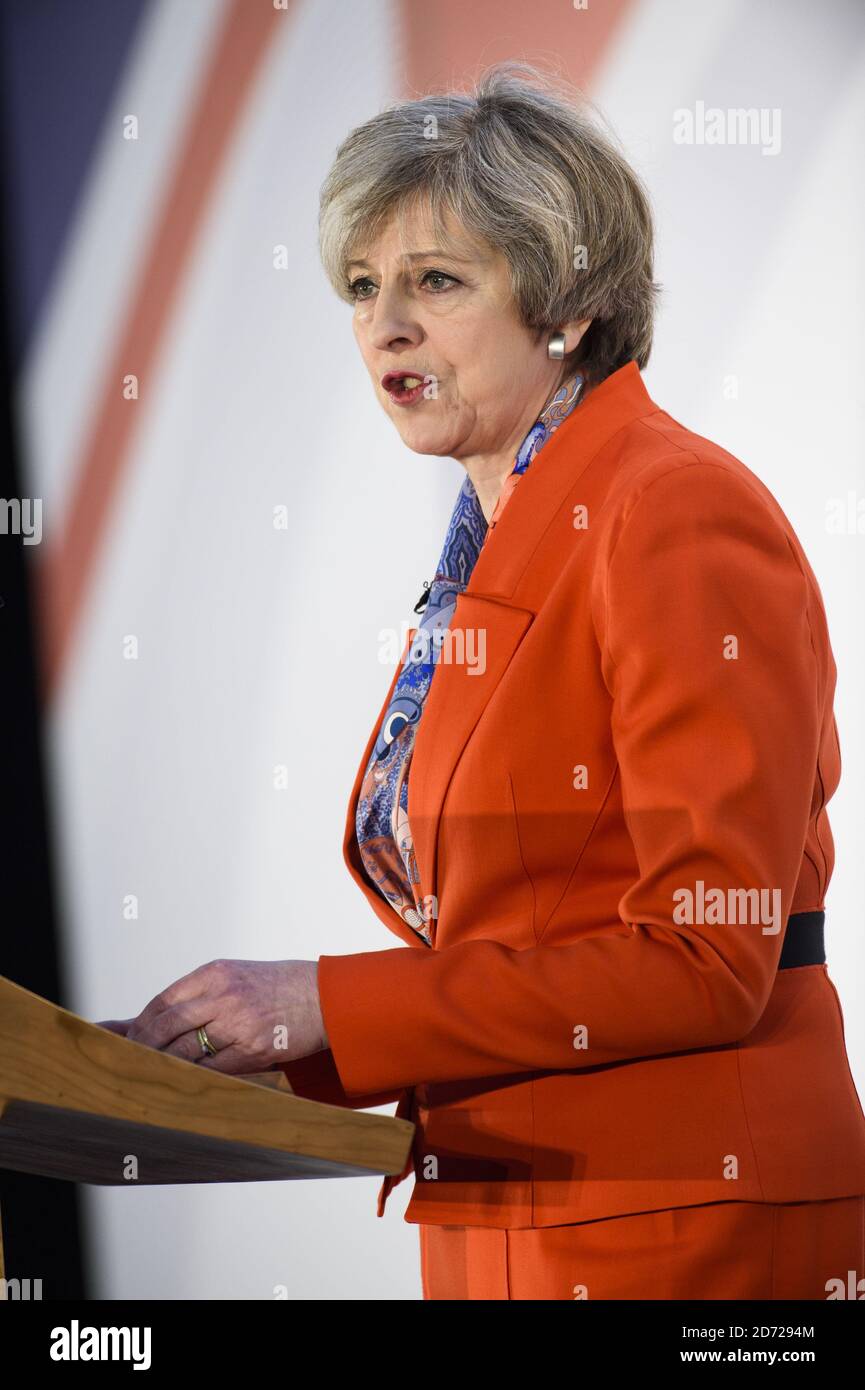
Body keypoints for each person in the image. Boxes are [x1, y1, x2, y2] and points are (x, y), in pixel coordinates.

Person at [100, 62, 865, 1300]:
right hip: (505, 1213)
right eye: (362, 289)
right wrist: (251, 1050)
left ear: (566, 299)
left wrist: (325, 1003)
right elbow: (519, 939)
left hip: (684, 1233)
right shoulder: (492, 542)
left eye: (435, 282)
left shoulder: (671, 510)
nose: (384, 327)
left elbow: (706, 954)